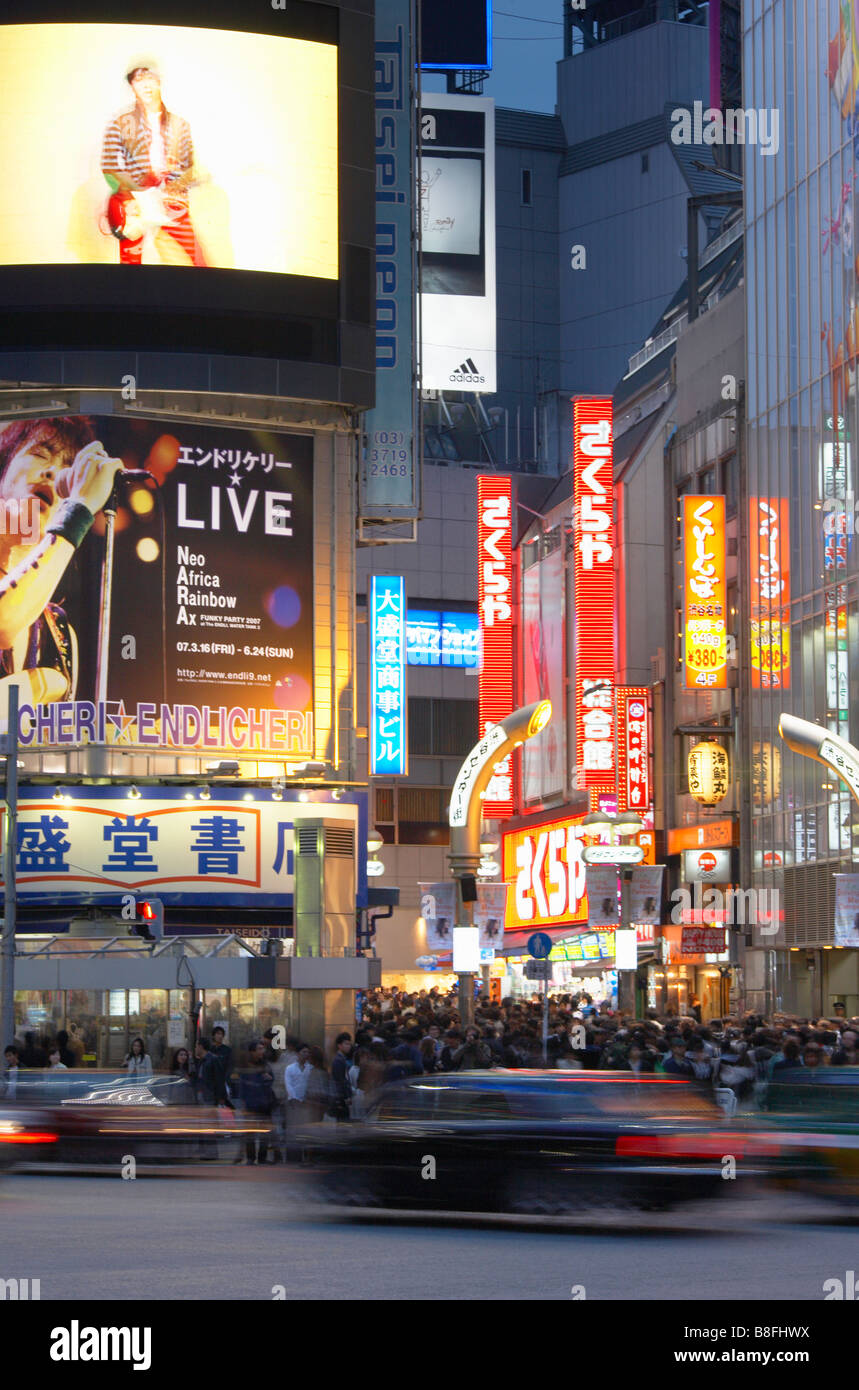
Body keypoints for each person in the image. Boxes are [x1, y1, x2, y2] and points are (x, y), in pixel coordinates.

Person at [0, 418, 125, 707]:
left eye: (67, 471)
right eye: (39, 454)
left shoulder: (58, 631)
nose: (51, 472)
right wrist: (78, 512)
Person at [101, 59, 197, 266]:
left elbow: (189, 166)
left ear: (159, 81)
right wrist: (127, 198)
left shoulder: (180, 124)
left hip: (172, 202)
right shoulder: (121, 123)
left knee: (187, 262)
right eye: (138, 80)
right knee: (131, 266)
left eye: (150, 78)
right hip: (135, 203)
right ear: (132, 86)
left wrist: (174, 187)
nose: (145, 85)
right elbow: (109, 166)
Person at [238, 1040, 275, 1163]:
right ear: (252, 1052)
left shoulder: (265, 1065)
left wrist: (269, 1079)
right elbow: (243, 1085)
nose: (262, 1051)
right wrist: (243, 1103)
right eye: (259, 1049)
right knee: (250, 1132)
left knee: (264, 1132)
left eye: (262, 1049)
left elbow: (270, 1080)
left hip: (265, 1102)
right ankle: (250, 1157)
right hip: (251, 1102)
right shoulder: (246, 1066)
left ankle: (262, 1157)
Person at [330, 1033, 354, 1121]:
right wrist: (345, 1097)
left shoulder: (341, 1059)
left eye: (349, 1044)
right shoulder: (338, 1060)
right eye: (346, 1044)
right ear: (339, 1045)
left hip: (341, 1098)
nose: (349, 1046)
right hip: (341, 1099)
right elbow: (340, 1080)